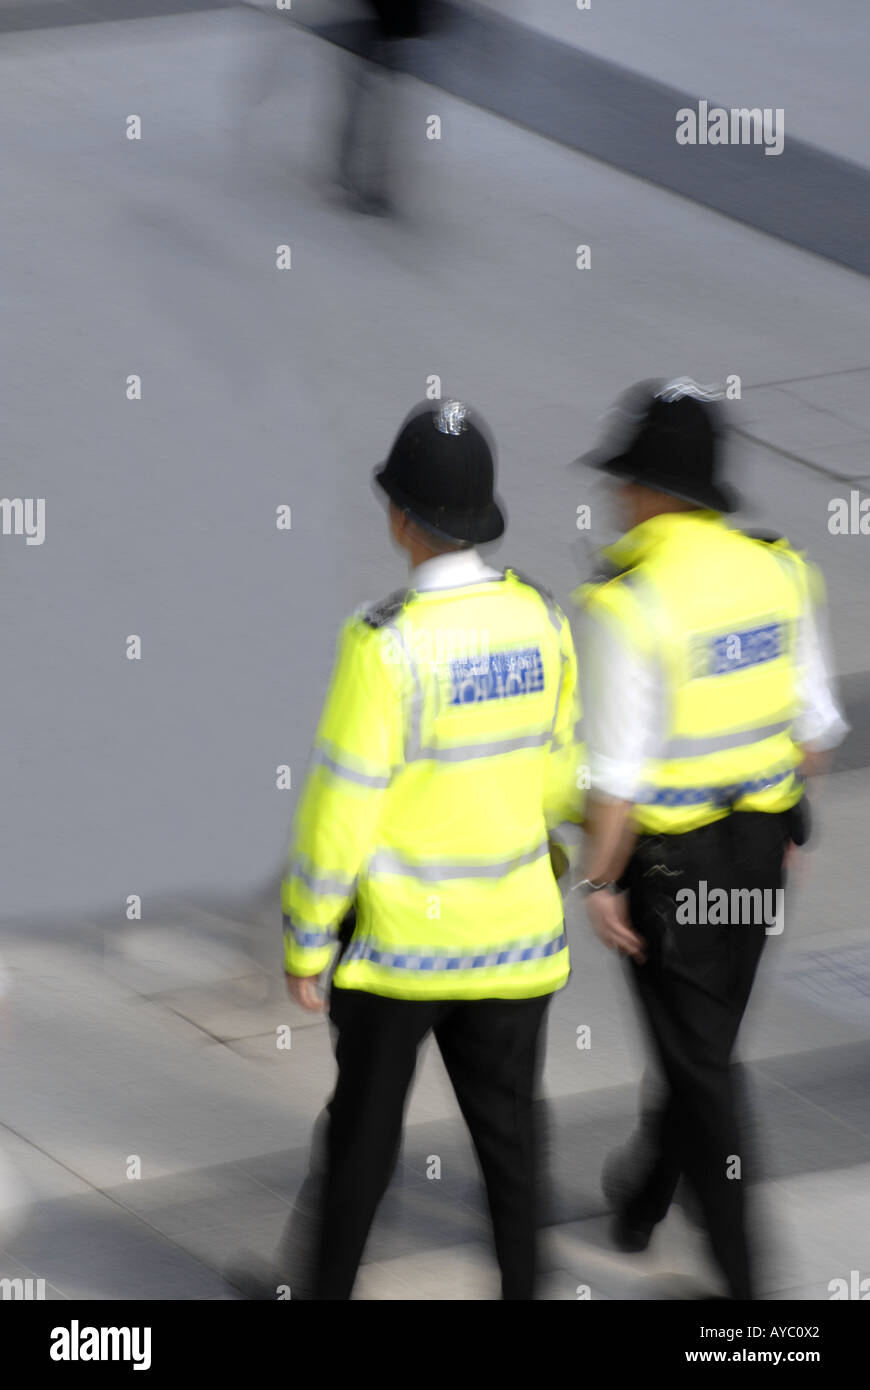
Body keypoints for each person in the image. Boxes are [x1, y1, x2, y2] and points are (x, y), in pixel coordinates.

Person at [278, 397, 582, 1300]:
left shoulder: (384, 646)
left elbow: (341, 807)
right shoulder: (541, 618)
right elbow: (562, 777)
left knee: (362, 1142)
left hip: (401, 952)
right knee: (513, 1145)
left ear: (403, 518)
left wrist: (306, 938)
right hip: (516, 944)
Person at [573, 377, 848, 1300]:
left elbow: (614, 780)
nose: (616, 495)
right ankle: (643, 1197)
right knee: (702, 1048)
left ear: (653, 491)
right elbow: (813, 732)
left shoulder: (627, 604)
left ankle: (752, 1303)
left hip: (670, 869)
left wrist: (602, 883)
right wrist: (780, 822)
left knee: (705, 1071)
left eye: (625, 480)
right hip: (761, 853)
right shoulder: (780, 569)